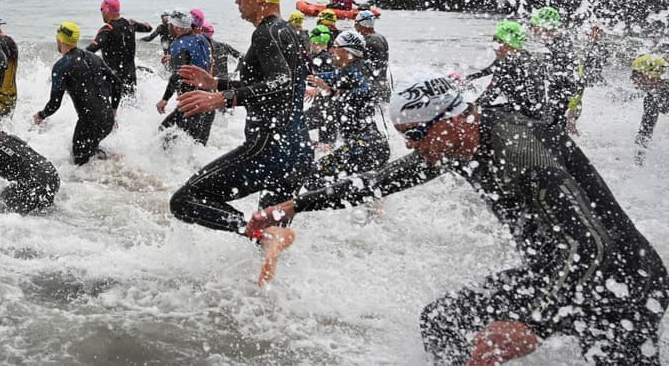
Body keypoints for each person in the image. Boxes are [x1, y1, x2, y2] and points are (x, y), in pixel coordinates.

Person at [254, 74, 669, 365]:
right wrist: (296, 205)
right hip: (554, 275)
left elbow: (590, 244)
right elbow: (380, 181)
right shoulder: (456, 145)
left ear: (452, 119)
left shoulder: (519, 148)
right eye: (403, 136)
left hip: (623, 282)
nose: (410, 145)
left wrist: (532, 323)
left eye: (415, 135)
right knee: (442, 321)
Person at [170, 0, 311, 236]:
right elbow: (274, 85)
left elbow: (280, 84)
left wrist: (220, 98)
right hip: (297, 150)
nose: (236, 1)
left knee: (184, 201)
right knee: (271, 242)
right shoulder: (287, 31)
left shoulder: (266, 33)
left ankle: (257, 233)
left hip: (271, 150)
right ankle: (266, 248)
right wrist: (217, 83)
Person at [302, 31, 390, 189]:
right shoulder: (349, 70)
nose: (331, 51)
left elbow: (369, 91)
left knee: (313, 177)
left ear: (348, 51)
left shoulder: (358, 70)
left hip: (366, 146)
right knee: (370, 194)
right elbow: (329, 76)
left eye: (335, 47)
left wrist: (333, 92)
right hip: (369, 146)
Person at [34, 21, 121, 165]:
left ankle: (115, 168)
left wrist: (41, 115)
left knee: (80, 165)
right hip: (107, 118)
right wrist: (113, 110)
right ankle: (114, 159)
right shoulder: (94, 57)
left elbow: (55, 103)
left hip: (89, 122)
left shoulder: (61, 66)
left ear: (60, 39)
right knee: (91, 152)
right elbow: (117, 83)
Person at [0, 108, 60, 213]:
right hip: (51, 175)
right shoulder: (3, 136)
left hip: (36, 182)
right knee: (5, 195)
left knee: (3, 217)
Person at [465, 21, 546, 120]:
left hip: (526, 121)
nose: (493, 45)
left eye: (496, 41)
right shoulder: (522, 57)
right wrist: (468, 79)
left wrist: (468, 111)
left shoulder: (510, 64)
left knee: (480, 114)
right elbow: (490, 70)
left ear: (508, 44)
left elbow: (490, 95)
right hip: (532, 114)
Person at [157, 10, 216, 145]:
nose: (169, 28)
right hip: (208, 102)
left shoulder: (178, 44)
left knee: (162, 135)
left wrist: (164, 100)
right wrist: (175, 58)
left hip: (192, 106)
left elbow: (177, 76)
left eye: (171, 25)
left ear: (177, 27)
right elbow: (201, 61)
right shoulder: (203, 39)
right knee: (197, 150)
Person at [86, 0, 152, 99]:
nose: (101, 13)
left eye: (102, 9)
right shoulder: (130, 25)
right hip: (130, 75)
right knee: (130, 105)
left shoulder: (107, 29)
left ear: (107, 10)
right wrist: (138, 23)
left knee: (113, 108)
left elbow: (91, 49)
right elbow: (148, 28)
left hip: (113, 77)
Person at [530, 6, 584, 133]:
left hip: (567, 104)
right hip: (559, 99)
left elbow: (580, 82)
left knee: (548, 133)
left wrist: (571, 114)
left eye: (534, 25)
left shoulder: (561, 49)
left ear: (546, 26)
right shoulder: (553, 43)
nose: (531, 29)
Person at [631, 54, 668, 166]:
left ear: (650, 75)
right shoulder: (651, 98)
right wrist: (638, 161)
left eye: (636, 74)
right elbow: (645, 130)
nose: (632, 78)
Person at [353, 10, 390, 102]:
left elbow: (362, 66)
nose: (354, 27)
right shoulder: (381, 37)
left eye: (356, 23)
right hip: (383, 85)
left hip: (372, 88)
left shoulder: (368, 41)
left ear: (362, 24)